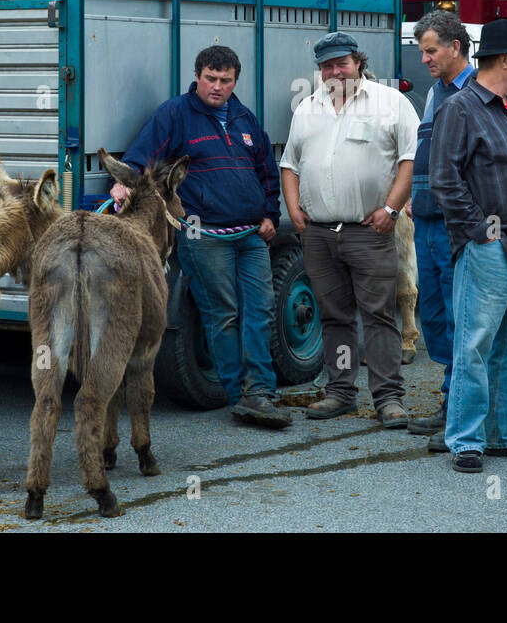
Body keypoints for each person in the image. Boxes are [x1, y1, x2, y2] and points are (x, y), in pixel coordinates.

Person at [116, 45, 290, 429]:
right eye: (210, 78)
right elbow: (141, 156)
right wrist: (123, 184)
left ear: (235, 81)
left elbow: (266, 170)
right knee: (222, 314)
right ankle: (240, 394)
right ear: (197, 77)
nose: (217, 87)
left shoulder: (245, 119)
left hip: (250, 235)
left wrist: (270, 214)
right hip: (203, 234)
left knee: (260, 309)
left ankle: (261, 390)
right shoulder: (175, 115)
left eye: (225, 80)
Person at [280, 32, 419, 429]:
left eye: (341, 63)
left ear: (358, 62)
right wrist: (293, 207)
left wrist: (391, 209)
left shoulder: (391, 103)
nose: (334, 72)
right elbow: (290, 164)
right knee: (335, 317)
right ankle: (340, 392)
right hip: (320, 233)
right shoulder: (307, 106)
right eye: (326, 66)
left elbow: (411, 158)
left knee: (379, 315)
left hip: (368, 231)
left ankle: (389, 399)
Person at [430, 18, 507, 473]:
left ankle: (503, 434)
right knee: (476, 344)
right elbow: (445, 181)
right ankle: (465, 440)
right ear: (503, 60)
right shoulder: (460, 109)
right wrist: (483, 234)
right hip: (493, 248)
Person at [404, 11, 476, 453]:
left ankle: (461, 410)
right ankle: (451, 400)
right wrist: (415, 194)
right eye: (422, 51)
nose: (426, 58)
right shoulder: (435, 93)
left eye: (431, 50)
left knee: (460, 317)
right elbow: (425, 151)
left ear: (455, 46)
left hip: (456, 228)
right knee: (432, 317)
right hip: (426, 222)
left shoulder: (477, 92)